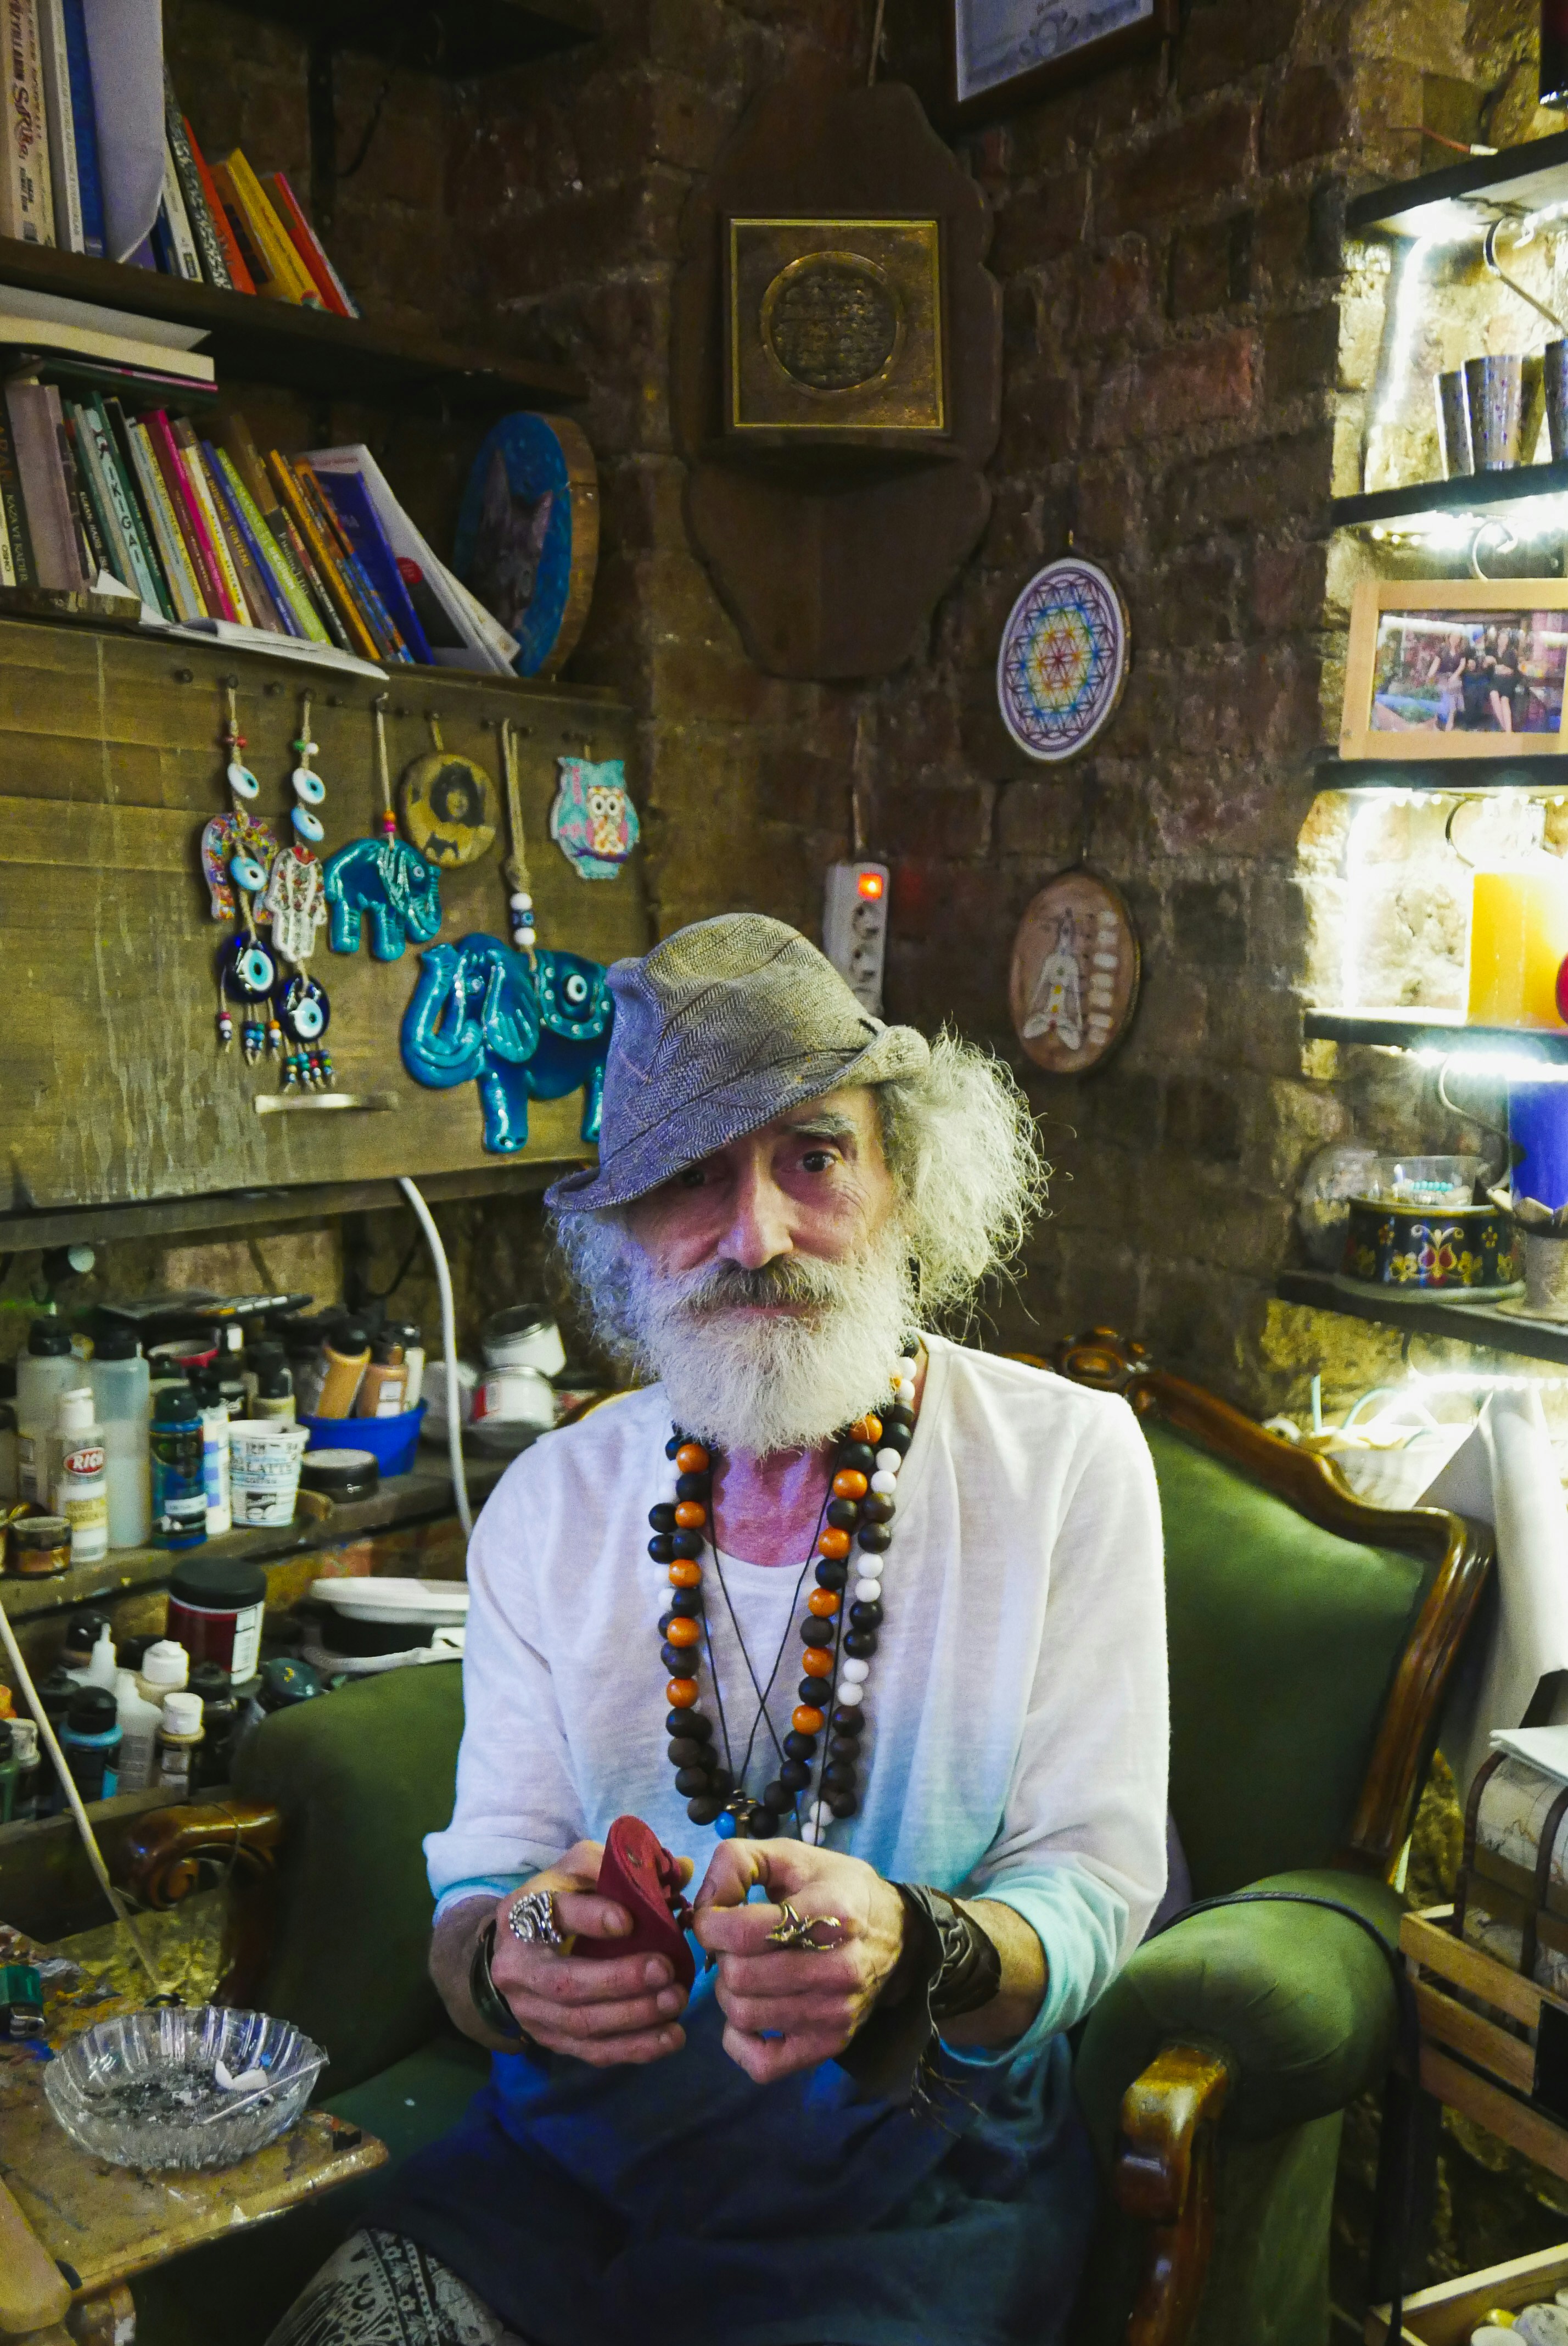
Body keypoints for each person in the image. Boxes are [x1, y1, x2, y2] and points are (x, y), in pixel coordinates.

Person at [267, 915, 1168, 2346]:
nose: (757, 1237)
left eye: (813, 1156)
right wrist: (522, 1956)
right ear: (626, 1240)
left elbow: (1093, 1892)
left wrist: (912, 1949)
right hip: (570, 2165)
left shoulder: (1066, 1464)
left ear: (902, 1185)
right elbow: (479, 1911)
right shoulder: (550, 1506)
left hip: (917, 2172)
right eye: (692, 1178)